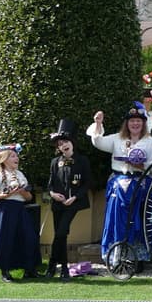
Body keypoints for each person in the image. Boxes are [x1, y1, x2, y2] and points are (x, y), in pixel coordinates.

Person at [89, 103, 152, 263]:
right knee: (118, 219)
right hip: (119, 186)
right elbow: (98, 142)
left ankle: (139, 257)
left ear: (143, 123)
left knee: (140, 220)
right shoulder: (116, 138)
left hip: (141, 184)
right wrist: (99, 123)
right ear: (127, 123)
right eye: (132, 121)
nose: (135, 124)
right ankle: (118, 255)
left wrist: (141, 165)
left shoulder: (150, 141)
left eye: (138, 121)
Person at [0, 145, 41, 282]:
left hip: (20, 209)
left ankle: (29, 269)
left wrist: (22, 191)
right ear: (4, 159)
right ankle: (5, 271)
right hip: (6, 209)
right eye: (13, 156)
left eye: (17, 156)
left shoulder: (20, 174)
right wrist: (5, 195)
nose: (17, 158)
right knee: (6, 239)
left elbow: (28, 198)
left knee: (29, 237)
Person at [46, 119, 93, 281]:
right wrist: (53, 194)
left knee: (61, 232)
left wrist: (75, 197)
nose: (63, 145)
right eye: (60, 143)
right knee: (61, 236)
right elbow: (50, 184)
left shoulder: (82, 161)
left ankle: (55, 265)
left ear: (72, 142)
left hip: (72, 204)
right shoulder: (54, 163)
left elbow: (87, 183)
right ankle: (60, 267)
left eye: (66, 141)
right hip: (57, 204)